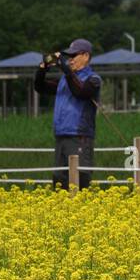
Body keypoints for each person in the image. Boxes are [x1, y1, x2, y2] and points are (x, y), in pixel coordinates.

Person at [34, 39, 101, 190]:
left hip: (80, 136)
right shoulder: (65, 80)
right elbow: (40, 87)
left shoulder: (93, 79)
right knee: (59, 180)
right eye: (68, 57)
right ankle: (62, 212)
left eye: (73, 56)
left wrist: (66, 70)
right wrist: (42, 69)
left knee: (80, 178)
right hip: (61, 135)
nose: (70, 60)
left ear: (85, 56)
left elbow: (81, 92)